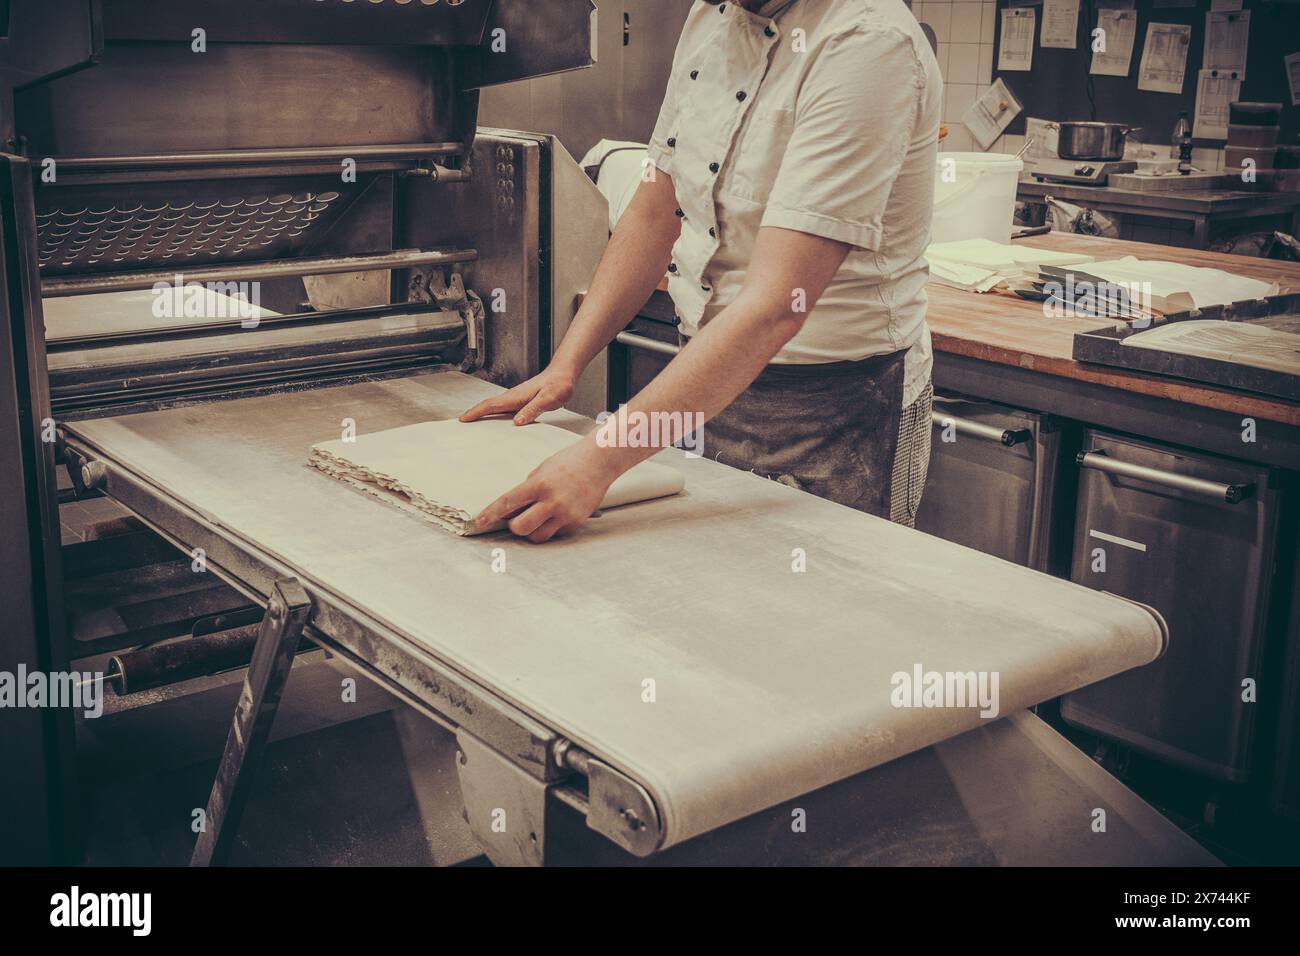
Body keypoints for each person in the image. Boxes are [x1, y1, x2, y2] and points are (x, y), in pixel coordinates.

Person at [461, 0, 943, 543]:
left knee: (822, 610)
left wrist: (597, 461)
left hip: (836, 404)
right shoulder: (712, 17)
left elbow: (777, 304)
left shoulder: (868, 42)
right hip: (708, 381)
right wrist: (564, 366)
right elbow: (653, 208)